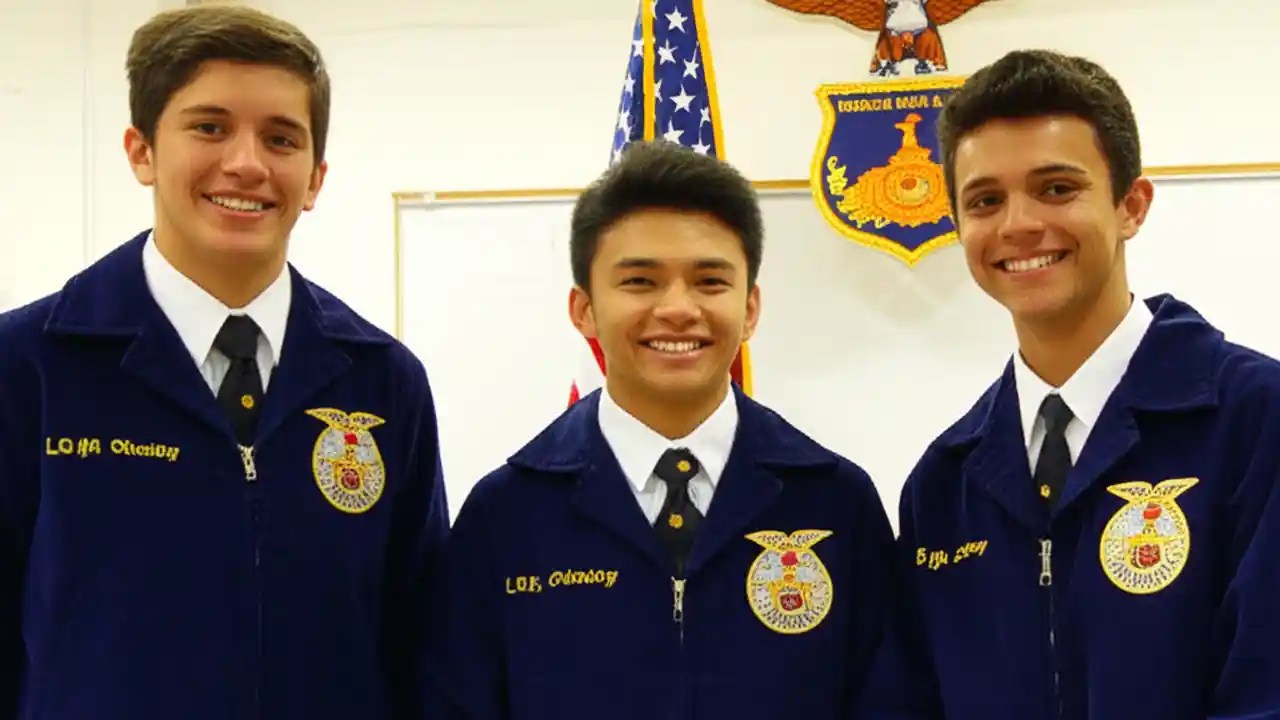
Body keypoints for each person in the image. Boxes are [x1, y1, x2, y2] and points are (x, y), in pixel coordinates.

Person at [0, 6, 448, 718]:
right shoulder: (29, 365)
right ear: (141, 150)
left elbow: (421, 644)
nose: (246, 163)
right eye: (209, 127)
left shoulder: (384, 382)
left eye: (280, 138)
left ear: (315, 175)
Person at [857, 49, 1280, 719]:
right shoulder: (944, 484)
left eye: (1057, 188)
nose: (1019, 224)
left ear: (1131, 206)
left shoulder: (1257, 420)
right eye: (985, 200)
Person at [423, 140, 895, 719]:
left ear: (750, 308)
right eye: (640, 282)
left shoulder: (835, 502)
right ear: (584, 309)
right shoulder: (506, 515)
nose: (677, 308)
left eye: (710, 282)